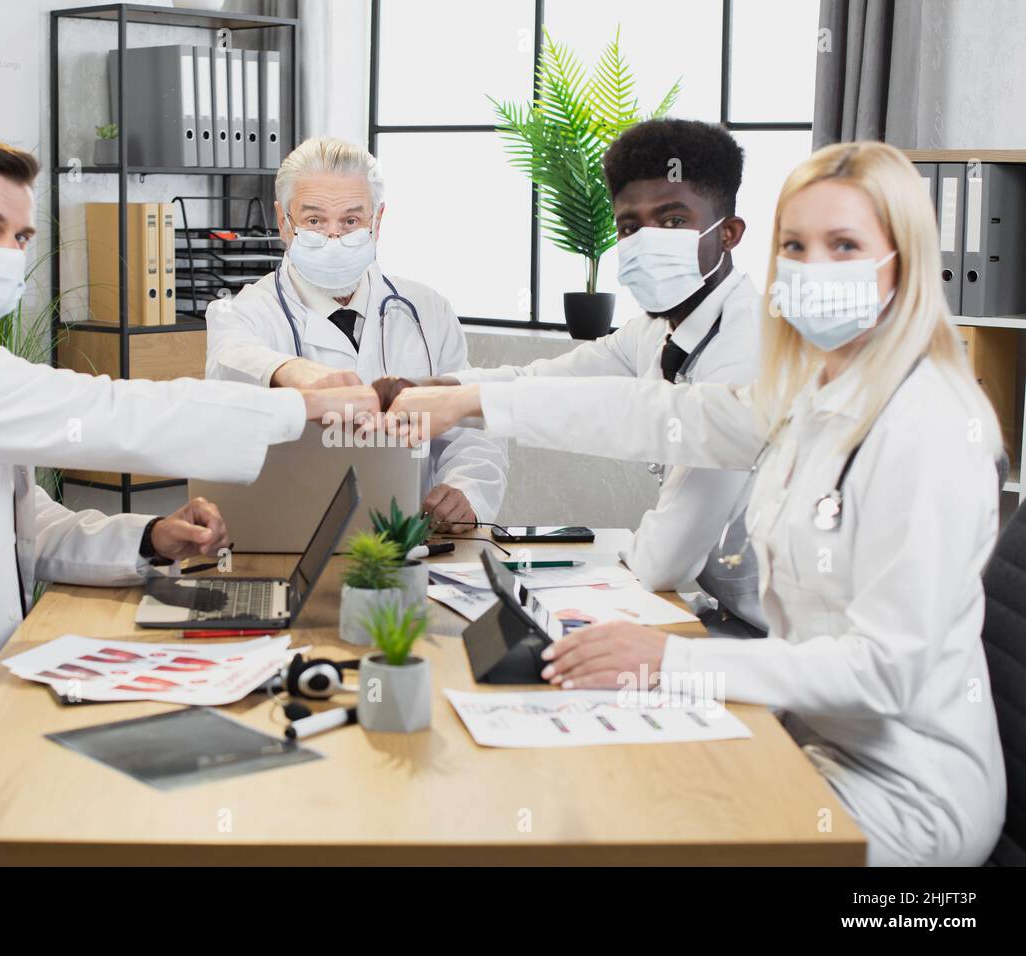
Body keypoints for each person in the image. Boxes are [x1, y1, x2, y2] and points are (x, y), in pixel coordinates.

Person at [388, 141, 1006, 865]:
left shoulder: (927, 425)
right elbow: (649, 412)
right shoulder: (813, 393)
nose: (815, 269)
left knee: (617, 837)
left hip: (904, 797)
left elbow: (883, 673)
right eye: (797, 247)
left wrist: (669, 666)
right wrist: (470, 400)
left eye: (846, 245)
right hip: (800, 732)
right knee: (585, 795)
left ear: (902, 262)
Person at [0, 133, 377, 812]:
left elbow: (24, 523)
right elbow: (106, 410)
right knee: (131, 793)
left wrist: (148, 538)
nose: (8, 254)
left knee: (169, 756)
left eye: (19, 236)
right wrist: (300, 405)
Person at [440, 119, 766, 633]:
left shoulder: (749, 346)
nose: (647, 240)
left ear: (728, 233)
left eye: (673, 220)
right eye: (631, 227)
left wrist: (575, 584)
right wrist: (439, 391)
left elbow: (668, 559)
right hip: (719, 609)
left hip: (775, 640)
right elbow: (543, 379)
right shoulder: (653, 331)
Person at [203, 136, 507, 531]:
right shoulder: (244, 311)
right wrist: (293, 371)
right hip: (290, 535)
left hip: (413, 539)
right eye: (314, 221)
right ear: (283, 221)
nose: (334, 237)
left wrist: (468, 490)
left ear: (377, 221)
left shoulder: (426, 310)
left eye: (351, 221)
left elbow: (469, 425)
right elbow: (232, 361)